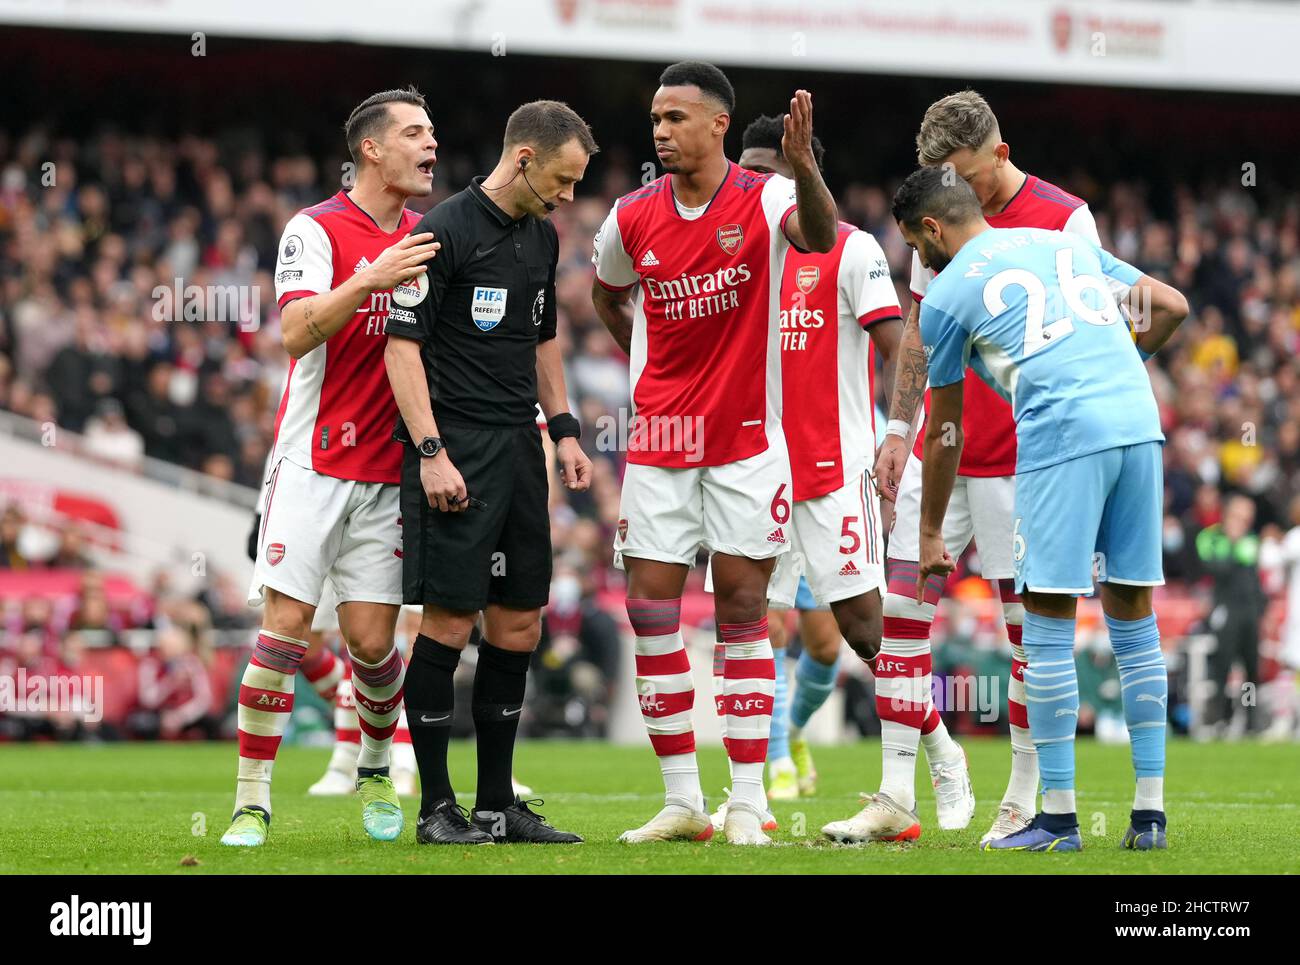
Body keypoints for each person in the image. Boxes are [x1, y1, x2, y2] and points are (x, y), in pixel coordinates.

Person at [895, 166, 1190, 852]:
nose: (923, 261)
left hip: (1063, 436)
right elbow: (1170, 304)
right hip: (1139, 424)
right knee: (1134, 620)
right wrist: (1115, 364)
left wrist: (932, 529)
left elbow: (945, 430)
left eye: (917, 244)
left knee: (1050, 624)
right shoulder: (1059, 240)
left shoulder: (945, 297)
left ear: (932, 229)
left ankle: (1057, 819)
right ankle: (1149, 813)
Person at [591, 62, 838, 845]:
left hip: (744, 441)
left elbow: (823, 235)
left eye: (675, 118)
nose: (660, 131)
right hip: (663, 437)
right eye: (655, 118)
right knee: (651, 611)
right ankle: (682, 801)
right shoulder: (629, 216)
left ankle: (744, 800)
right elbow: (607, 291)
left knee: (741, 611)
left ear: (718, 124)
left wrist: (803, 171)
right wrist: (651, 365)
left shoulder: (766, 201)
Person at [871, 90, 1109, 845]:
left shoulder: (1066, 217)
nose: (952, 193)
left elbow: (1100, 327)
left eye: (963, 175)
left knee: (1026, 638)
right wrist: (898, 425)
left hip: (1028, 460)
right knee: (902, 616)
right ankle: (894, 796)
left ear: (999, 157)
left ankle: (1022, 795)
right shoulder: (938, 217)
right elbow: (917, 322)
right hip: (941, 451)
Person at [221, 87, 441, 848]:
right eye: (415, 132)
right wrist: (370, 279)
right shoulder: (313, 229)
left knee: (375, 647)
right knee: (283, 630)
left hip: (389, 473)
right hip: (313, 461)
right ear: (372, 149)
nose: (431, 145)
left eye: (433, 132)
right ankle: (252, 801)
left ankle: (377, 766)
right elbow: (293, 332)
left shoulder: (431, 236)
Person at [385, 99, 596, 845]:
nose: (570, 197)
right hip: (457, 448)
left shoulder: (540, 236)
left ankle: (497, 803)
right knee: (448, 618)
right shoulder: (442, 230)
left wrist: (564, 430)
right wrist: (431, 451)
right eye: (565, 180)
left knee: (519, 622)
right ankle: (436, 806)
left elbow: (544, 339)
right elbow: (400, 348)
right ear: (526, 158)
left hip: (518, 447)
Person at [708, 117, 902, 832]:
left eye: (773, 171)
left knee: (851, 635)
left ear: (803, 177)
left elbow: (898, 344)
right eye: (749, 170)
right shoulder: (734, 257)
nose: (755, 185)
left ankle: (931, 757)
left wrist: (897, 434)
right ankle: (751, 790)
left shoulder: (850, 249)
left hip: (831, 470)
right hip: (750, 471)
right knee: (750, 619)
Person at [1196, 494, 1266, 734]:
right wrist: (1233, 542)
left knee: (1251, 669)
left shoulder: (1251, 539)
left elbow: (1253, 577)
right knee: (1222, 666)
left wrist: (1261, 611)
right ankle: (1219, 718)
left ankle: (1250, 720)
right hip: (1226, 609)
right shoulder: (1211, 538)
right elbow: (1217, 569)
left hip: (1249, 611)